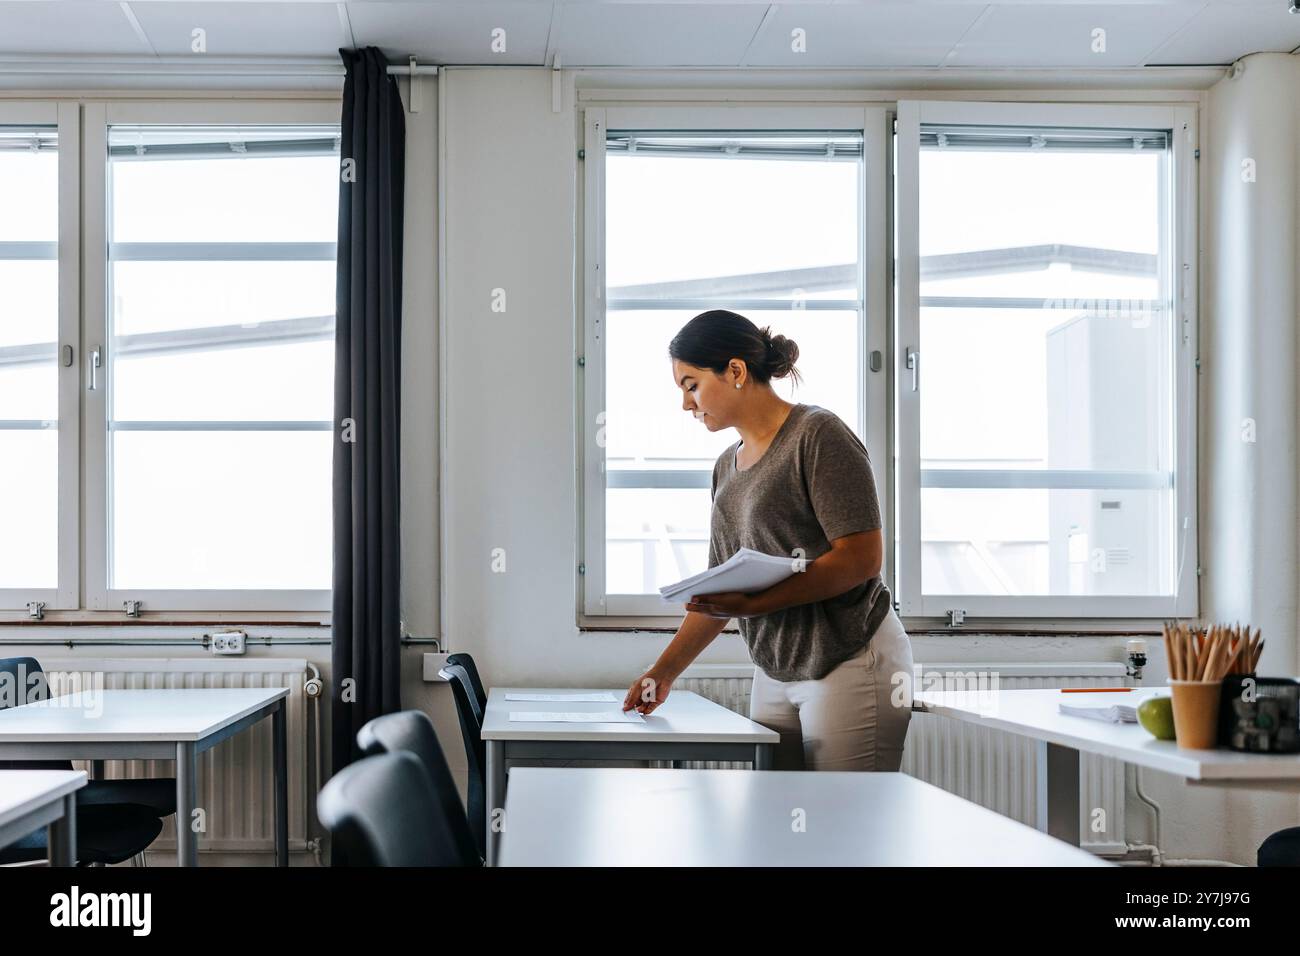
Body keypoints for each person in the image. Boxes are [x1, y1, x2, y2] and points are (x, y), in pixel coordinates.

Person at [621, 309, 913, 771]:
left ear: (735, 371)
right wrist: (663, 673)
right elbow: (718, 595)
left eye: (691, 384)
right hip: (774, 668)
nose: (686, 404)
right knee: (778, 821)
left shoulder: (817, 434)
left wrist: (757, 605)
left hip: (850, 657)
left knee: (850, 828)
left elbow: (861, 559)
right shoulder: (725, 468)